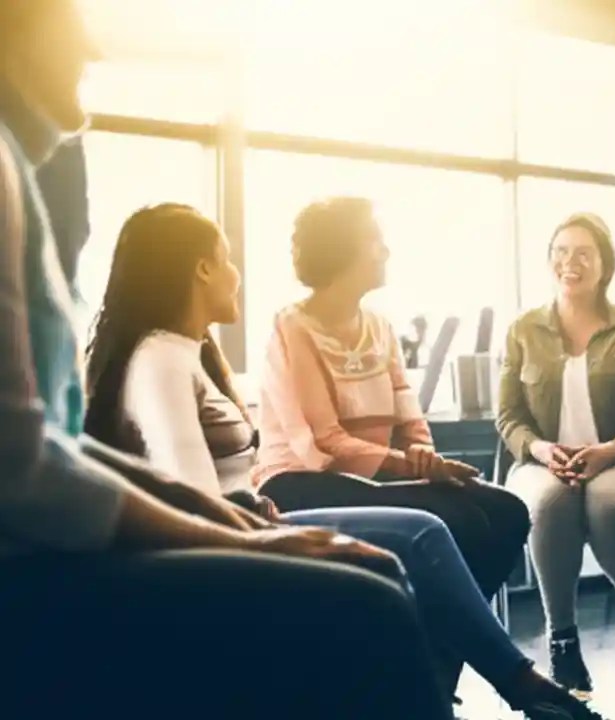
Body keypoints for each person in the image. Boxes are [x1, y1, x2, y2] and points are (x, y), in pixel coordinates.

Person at [0, 2, 448, 717]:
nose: (90, 46)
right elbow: (22, 473)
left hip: (67, 544)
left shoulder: (20, 171)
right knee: (368, 601)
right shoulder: (160, 356)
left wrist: (240, 526)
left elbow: (60, 447)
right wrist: (249, 534)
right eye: (67, 17)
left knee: (389, 567)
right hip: (28, 577)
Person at [83, 203, 605, 720]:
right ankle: (516, 684)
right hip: (258, 516)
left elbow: (404, 408)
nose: (235, 274)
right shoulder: (162, 359)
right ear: (200, 268)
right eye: (225, 259)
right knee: (426, 532)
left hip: (254, 517)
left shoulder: (189, 352)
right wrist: (271, 527)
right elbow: (201, 495)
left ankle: (473, 679)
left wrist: (420, 453)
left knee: (494, 513)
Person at [251, 196, 531, 609]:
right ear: (341, 249)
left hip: (376, 478)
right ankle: (434, 644)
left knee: (508, 512)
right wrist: (410, 466)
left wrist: (424, 458)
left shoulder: (381, 328)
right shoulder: (292, 327)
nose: (386, 251)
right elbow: (324, 442)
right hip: (299, 481)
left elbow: (410, 422)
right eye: (375, 240)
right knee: (464, 520)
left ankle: (440, 645)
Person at [498, 213, 615, 693]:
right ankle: (563, 641)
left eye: (582, 253)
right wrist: (540, 447)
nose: (569, 263)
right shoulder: (522, 330)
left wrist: (610, 450)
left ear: (603, 266)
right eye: (560, 251)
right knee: (552, 501)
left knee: (607, 501)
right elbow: (508, 416)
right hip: (540, 464)